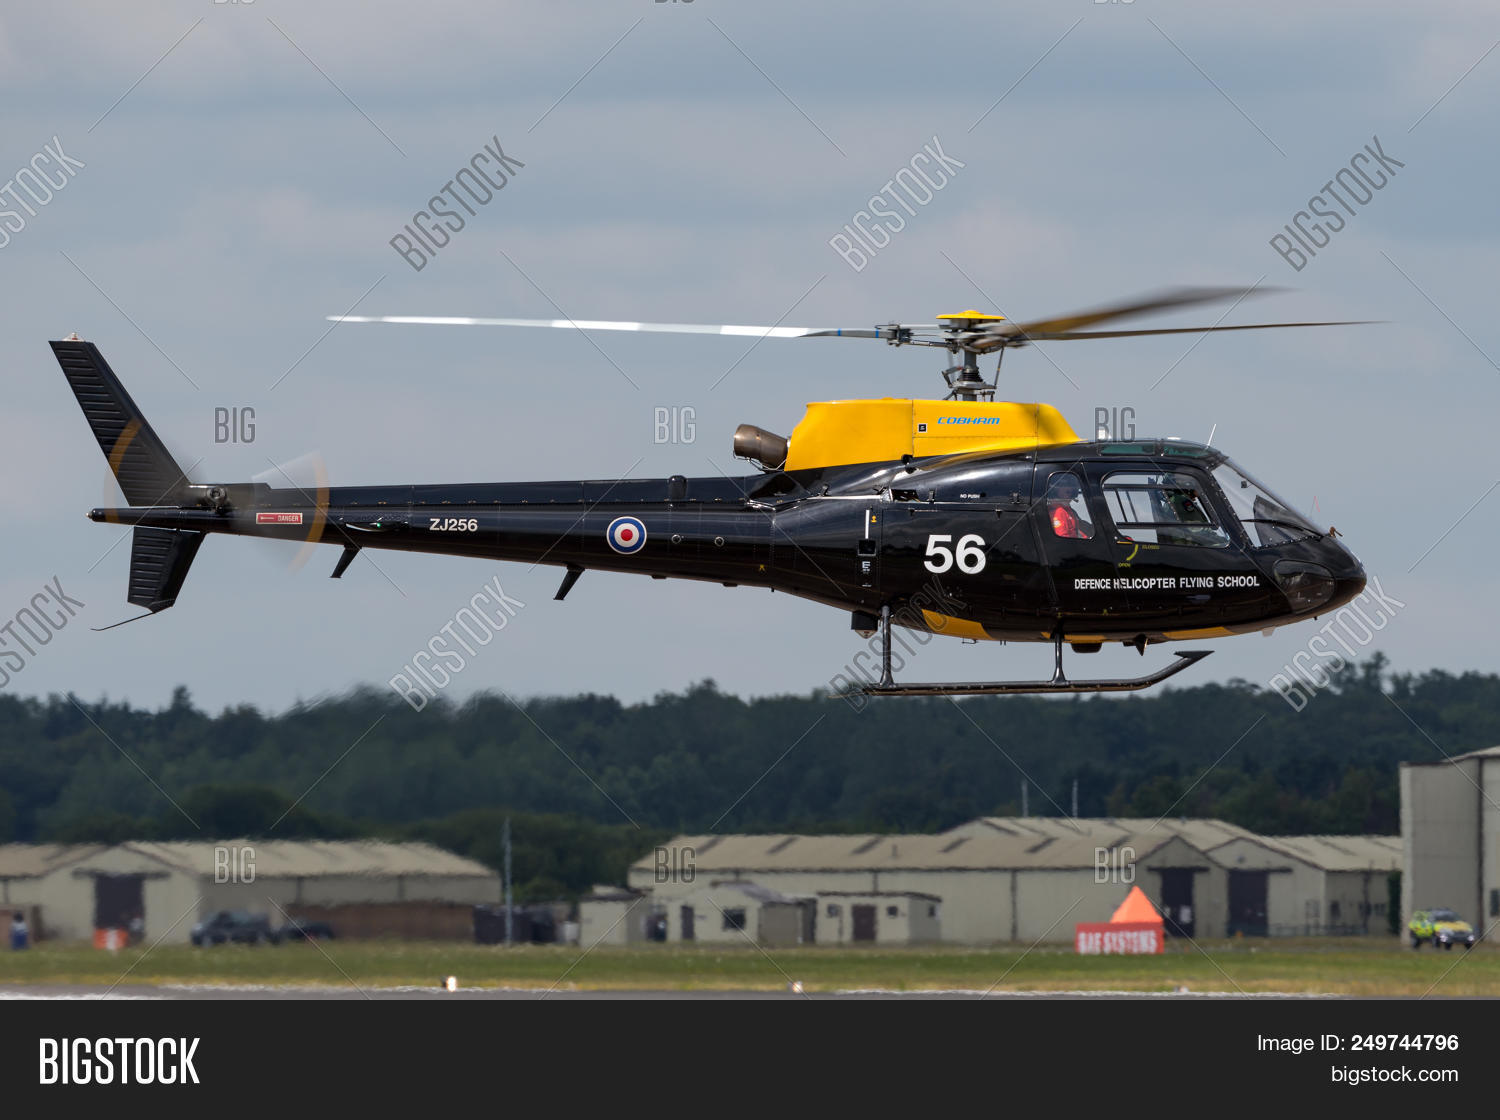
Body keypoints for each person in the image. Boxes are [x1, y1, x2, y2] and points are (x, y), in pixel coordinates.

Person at [1049, 474, 1092, 539]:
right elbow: (1063, 539)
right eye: (1068, 491)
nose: (1072, 491)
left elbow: (1078, 531)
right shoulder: (1058, 512)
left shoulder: (1068, 510)